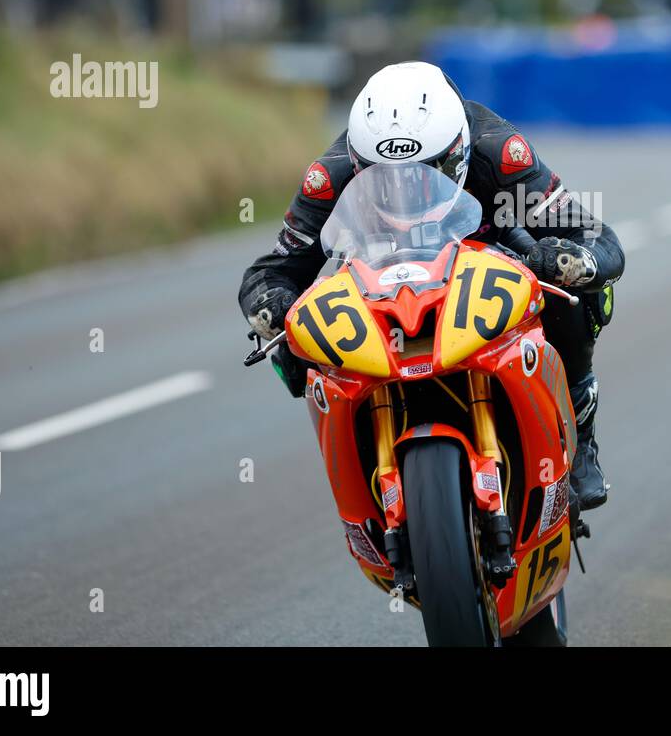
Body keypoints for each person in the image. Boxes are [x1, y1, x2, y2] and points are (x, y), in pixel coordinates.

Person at [238, 61, 623, 510]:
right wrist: (271, 302)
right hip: (376, 274)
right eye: (383, 178)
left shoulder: (499, 149)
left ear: (457, 152)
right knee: (289, 338)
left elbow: (597, 238)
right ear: (360, 163)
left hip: (487, 251)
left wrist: (568, 259)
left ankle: (581, 429)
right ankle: (359, 470)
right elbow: (271, 270)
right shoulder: (331, 174)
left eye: (427, 172)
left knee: (577, 290)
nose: (407, 191)